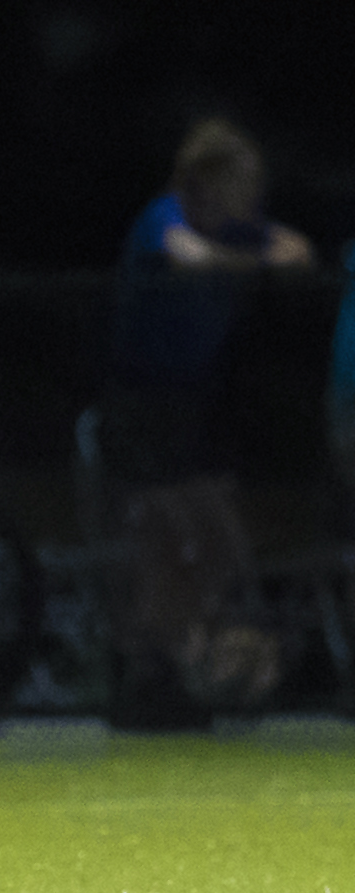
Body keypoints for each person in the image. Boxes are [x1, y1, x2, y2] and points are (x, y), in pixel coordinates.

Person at [101, 118, 312, 727]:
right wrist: (248, 263)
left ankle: (171, 658)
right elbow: (186, 258)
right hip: (142, 405)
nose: (250, 198)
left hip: (193, 402)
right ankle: (148, 669)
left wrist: (250, 251)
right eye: (239, 184)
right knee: (164, 541)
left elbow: (296, 251)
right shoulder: (164, 215)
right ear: (205, 182)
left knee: (211, 546)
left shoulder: (236, 227)